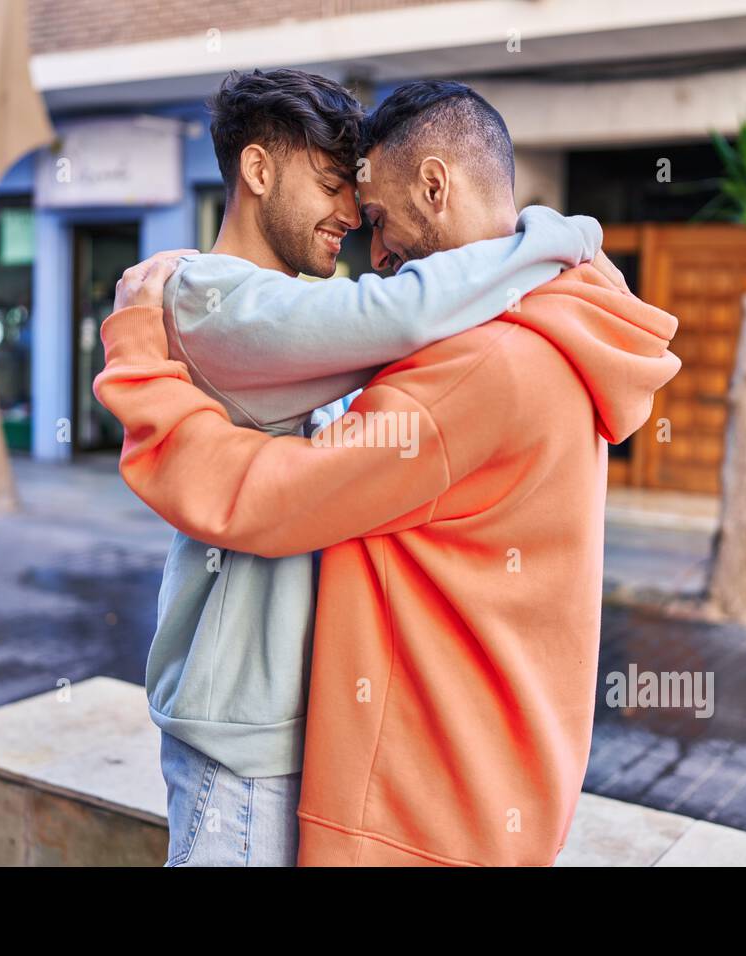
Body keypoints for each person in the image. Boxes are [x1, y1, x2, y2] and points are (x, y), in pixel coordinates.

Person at [95, 79, 681, 866]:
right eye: (337, 193)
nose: (372, 249)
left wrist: (140, 370)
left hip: (424, 796)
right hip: (459, 778)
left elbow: (269, 498)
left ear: (435, 186)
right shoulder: (549, 327)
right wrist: (548, 240)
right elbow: (382, 319)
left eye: (371, 211)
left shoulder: (482, 365)